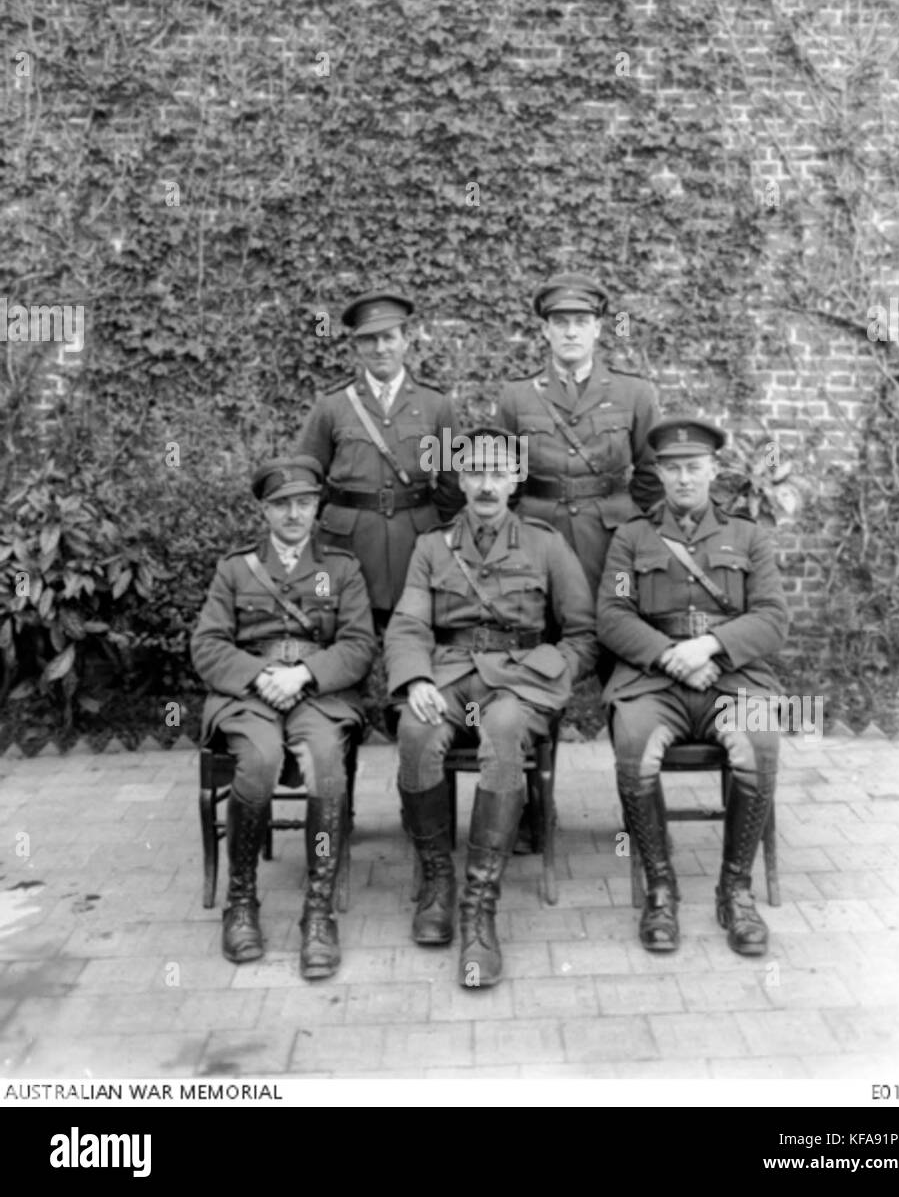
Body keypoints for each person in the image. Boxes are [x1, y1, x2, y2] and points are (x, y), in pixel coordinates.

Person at [385, 425, 597, 988]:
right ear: (459, 477)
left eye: (498, 472)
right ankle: (438, 882)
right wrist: (415, 679)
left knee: (502, 730)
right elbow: (408, 624)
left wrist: (550, 678)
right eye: (475, 472)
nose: (485, 484)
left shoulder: (546, 543)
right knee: (414, 731)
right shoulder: (432, 546)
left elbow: (582, 633)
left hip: (520, 680)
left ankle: (480, 908)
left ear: (516, 478)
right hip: (451, 672)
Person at [597, 418, 789, 956]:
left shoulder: (748, 536)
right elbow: (612, 615)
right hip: (653, 681)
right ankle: (661, 887)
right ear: (657, 472)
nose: (683, 478)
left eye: (694, 467)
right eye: (672, 468)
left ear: (714, 470)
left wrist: (709, 648)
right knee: (633, 747)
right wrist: (670, 656)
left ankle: (736, 890)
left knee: (762, 741)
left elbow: (774, 618)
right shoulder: (630, 538)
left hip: (732, 677)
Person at [191, 455, 376, 980]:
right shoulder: (235, 568)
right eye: (281, 505)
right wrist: (259, 676)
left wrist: (306, 675)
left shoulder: (342, 568)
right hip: (251, 693)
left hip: (317, 693)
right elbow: (206, 645)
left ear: (317, 505)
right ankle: (242, 901)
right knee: (260, 759)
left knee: (325, 765)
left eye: (303, 502)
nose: (294, 514)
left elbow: (359, 646)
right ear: (263, 509)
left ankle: (317, 911)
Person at [296, 290, 462, 629]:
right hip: (348, 541)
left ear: (406, 340)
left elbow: (452, 483)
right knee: (343, 625)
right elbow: (306, 478)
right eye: (369, 339)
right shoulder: (333, 406)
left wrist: (429, 526)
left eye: (388, 337)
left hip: (414, 539)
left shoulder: (435, 406)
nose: (380, 348)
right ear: (357, 346)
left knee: (416, 625)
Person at [494, 274, 662, 597]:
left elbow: (652, 470)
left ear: (597, 329)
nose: (571, 332)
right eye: (560, 322)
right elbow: (501, 475)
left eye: (582, 322)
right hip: (538, 531)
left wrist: (629, 523)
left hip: (610, 536)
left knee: (615, 619)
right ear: (546, 330)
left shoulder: (633, 393)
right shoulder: (516, 396)